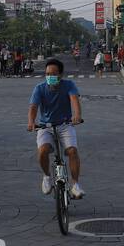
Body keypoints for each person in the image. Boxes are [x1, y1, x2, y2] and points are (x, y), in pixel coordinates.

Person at [27, 57, 84, 199]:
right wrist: (31, 122)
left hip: (65, 124)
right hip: (45, 126)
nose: (50, 77)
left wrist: (77, 115)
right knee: (42, 151)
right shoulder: (39, 88)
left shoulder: (69, 85)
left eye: (53, 74)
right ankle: (46, 176)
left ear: (60, 75)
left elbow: (74, 100)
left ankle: (75, 185)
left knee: (72, 151)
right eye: (47, 74)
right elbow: (33, 107)